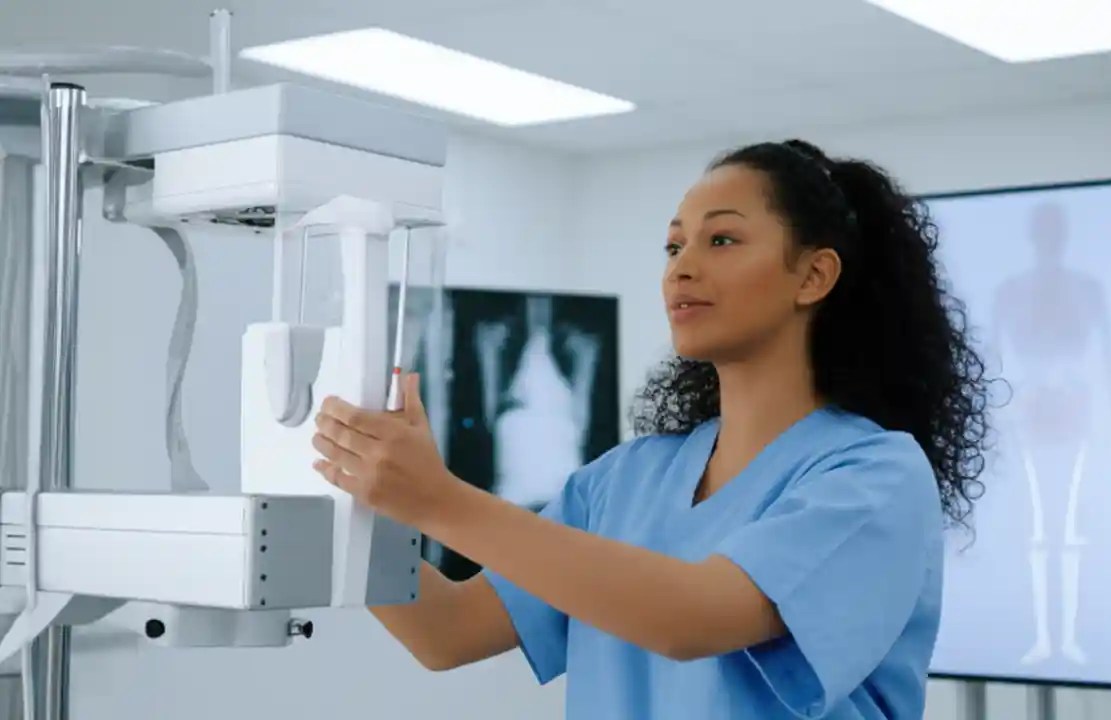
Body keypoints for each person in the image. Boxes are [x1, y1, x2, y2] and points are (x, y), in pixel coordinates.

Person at [310, 139, 994, 719]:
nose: (682, 267)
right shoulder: (624, 478)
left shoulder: (873, 477)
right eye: (674, 245)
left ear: (813, 275)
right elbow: (445, 631)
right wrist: (348, 487)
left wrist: (436, 498)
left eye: (721, 239)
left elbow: (689, 619)